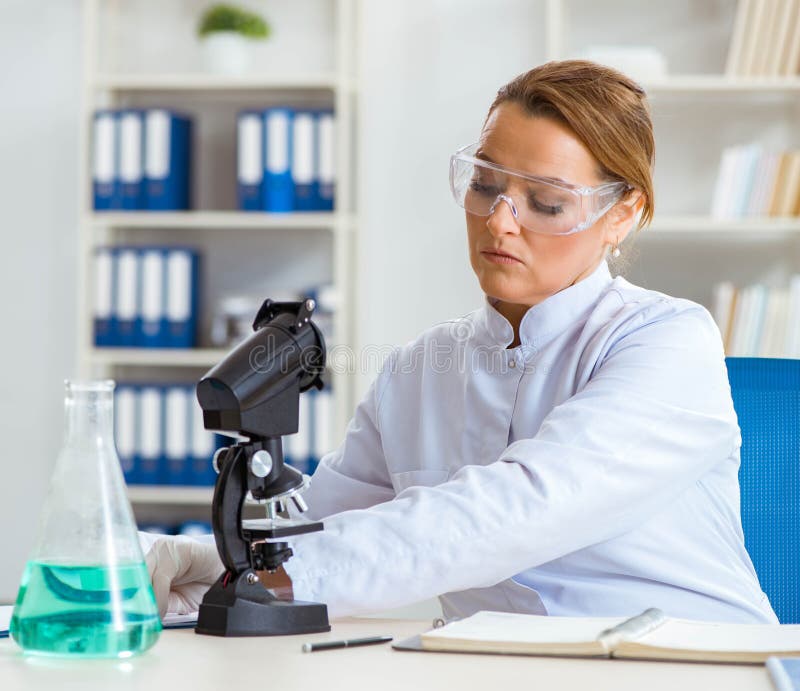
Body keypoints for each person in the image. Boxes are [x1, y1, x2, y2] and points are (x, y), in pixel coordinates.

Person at [145, 60, 778, 624]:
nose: (500, 221)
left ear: (623, 213)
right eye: (485, 185)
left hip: (689, 663)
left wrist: (274, 579)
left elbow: (522, 507)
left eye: (547, 203)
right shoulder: (422, 367)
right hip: (496, 669)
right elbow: (324, 526)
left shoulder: (666, 340)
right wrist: (216, 572)